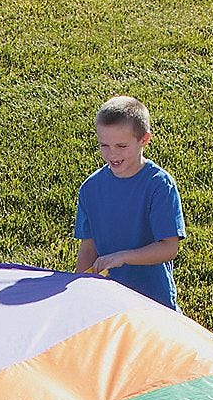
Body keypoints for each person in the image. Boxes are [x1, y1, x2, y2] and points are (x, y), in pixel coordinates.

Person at [73, 96, 187, 311]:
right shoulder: (91, 188)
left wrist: (123, 257)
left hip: (153, 298)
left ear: (144, 140)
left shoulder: (159, 185)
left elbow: (169, 248)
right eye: (104, 145)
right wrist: (79, 289)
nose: (112, 154)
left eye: (122, 145)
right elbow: (88, 246)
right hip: (108, 299)